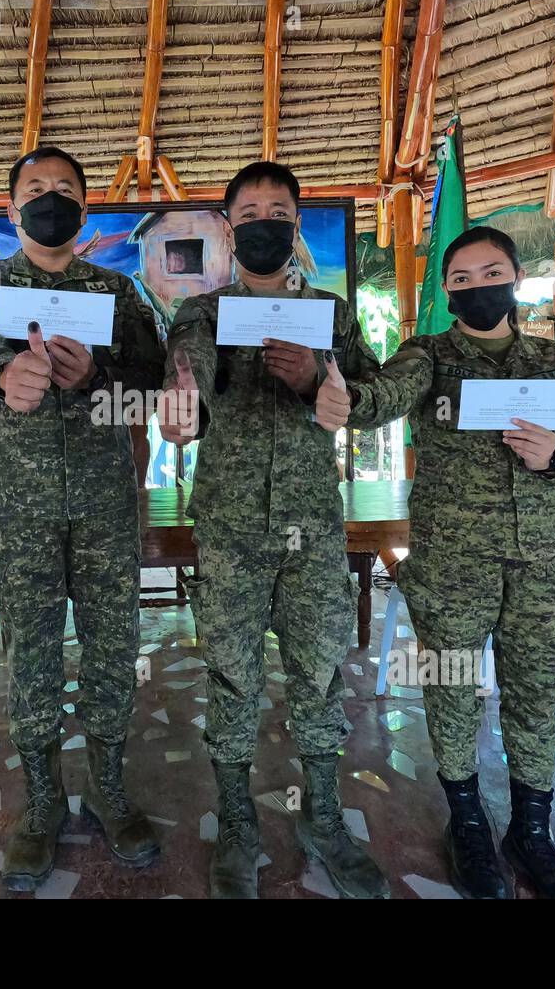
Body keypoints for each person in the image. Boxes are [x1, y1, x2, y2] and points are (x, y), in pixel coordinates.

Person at [336, 226, 555, 899]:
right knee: (452, 693)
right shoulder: (428, 355)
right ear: (447, 292)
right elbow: (379, 399)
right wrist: (337, 384)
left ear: (515, 278)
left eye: (489, 273)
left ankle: (532, 832)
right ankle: (467, 823)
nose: (476, 287)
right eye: (460, 279)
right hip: (452, 572)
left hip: (543, 570)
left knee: (535, 702)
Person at [158, 160, 389, 900]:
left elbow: (375, 394)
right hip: (227, 530)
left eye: (278, 209)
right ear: (230, 229)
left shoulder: (331, 312)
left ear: (295, 223)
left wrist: (325, 387)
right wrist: (178, 406)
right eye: (249, 210)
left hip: (312, 529)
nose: (265, 220)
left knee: (320, 674)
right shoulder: (198, 314)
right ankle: (236, 825)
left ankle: (324, 818)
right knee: (231, 676)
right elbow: (183, 395)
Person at [0, 146, 167, 891]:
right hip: (21, 503)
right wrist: (5, 369)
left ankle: (107, 784)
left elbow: (151, 382)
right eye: (35, 190)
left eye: (65, 189)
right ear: (13, 211)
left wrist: (99, 375)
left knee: (112, 647)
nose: (50, 199)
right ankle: (40, 802)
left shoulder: (118, 291)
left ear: (84, 205)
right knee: (31, 652)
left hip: (107, 498)